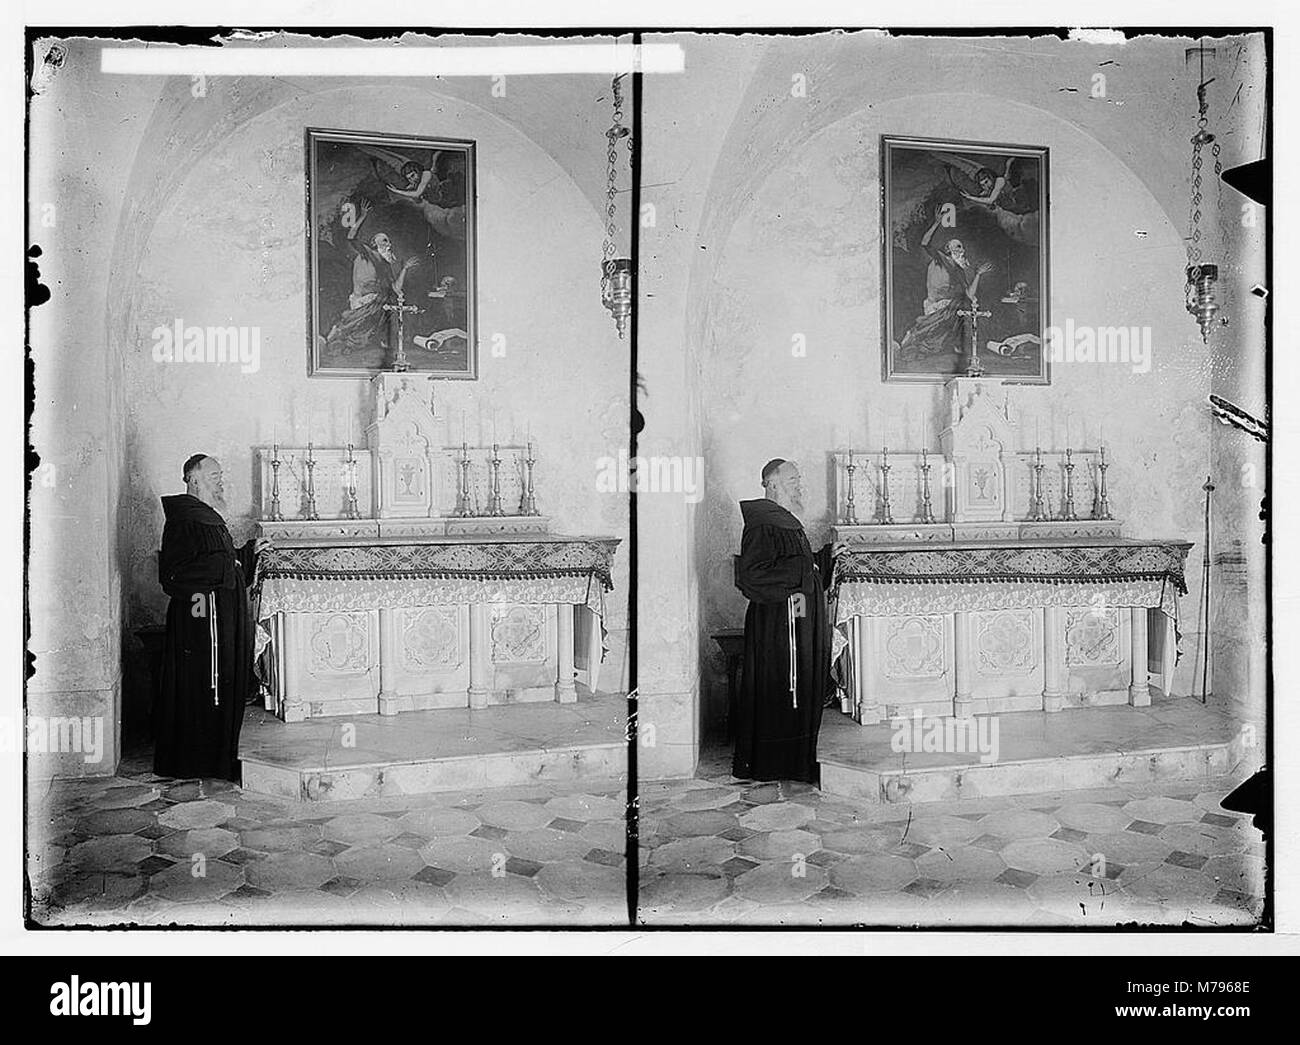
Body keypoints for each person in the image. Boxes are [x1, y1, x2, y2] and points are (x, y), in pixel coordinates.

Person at [153, 455, 269, 781]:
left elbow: (224, 562)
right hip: (201, 622)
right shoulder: (183, 520)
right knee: (205, 686)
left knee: (222, 683)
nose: (221, 480)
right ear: (194, 480)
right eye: (215, 475)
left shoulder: (206, 517)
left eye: (220, 475)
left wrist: (247, 553)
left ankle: (218, 758)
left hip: (220, 617)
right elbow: (173, 575)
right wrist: (226, 566)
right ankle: (199, 761)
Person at [732, 459, 842, 784]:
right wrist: (805, 570)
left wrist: (825, 556)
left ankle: (796, 760)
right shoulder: (762, 522)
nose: (799, 484)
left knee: (800, 685)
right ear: (773, 483)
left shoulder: (785, 521)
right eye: (793, 479)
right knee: (784, 688)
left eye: (798, 479)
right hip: (779, 627)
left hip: (799, 619)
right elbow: (752, 577)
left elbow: (802, 567)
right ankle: (776, 764)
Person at [899, 206, 993, 358]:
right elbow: (924, 243)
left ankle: (958, 345)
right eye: (958, 247)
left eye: (962, 247)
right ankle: (912, 337)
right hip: (935, 308)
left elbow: (969, 294)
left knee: (960, 304)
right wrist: (936, 223)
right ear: (948, 250)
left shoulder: (959, 271)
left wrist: (978, 275)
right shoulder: (942, 260)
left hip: (949, 311)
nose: (962, 251)